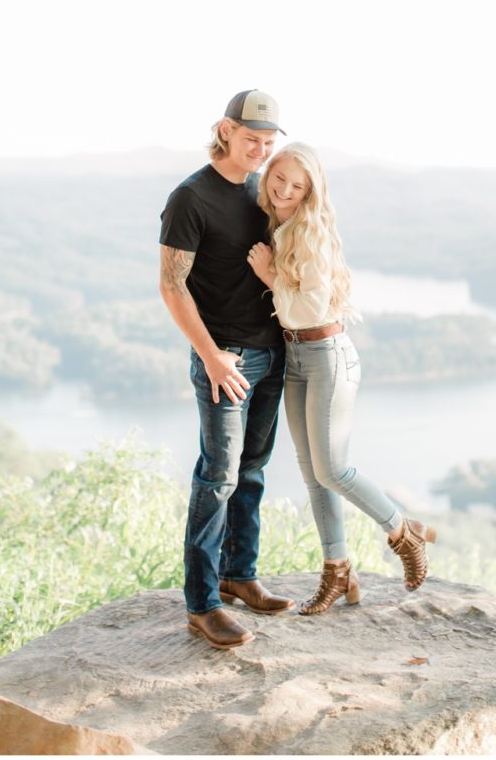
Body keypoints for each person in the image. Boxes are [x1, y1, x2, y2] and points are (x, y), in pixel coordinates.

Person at [247, 141, 436, 612]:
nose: (284, 190)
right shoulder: (274, 223)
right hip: (295, 356)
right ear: (268, 174)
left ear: (310, 192)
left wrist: (269, 277)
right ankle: (338, 572)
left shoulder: (308, 233)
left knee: (333, 469)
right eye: (279, 178)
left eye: (297, 186)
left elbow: (310, 309)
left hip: (328, 355)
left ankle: (404, 531)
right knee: (313, 474)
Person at [159, 90, 293, 650]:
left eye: (268, 141)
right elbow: (171, 286)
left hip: (272, 352)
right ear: (225, 130)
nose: (259, 149)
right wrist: (211, 355)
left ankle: (240, 575)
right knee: (218, 476)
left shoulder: (264, 191)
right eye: (250, 138)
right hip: (226, 358)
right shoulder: (190, 198)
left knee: (253, 468)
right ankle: (203, 603)